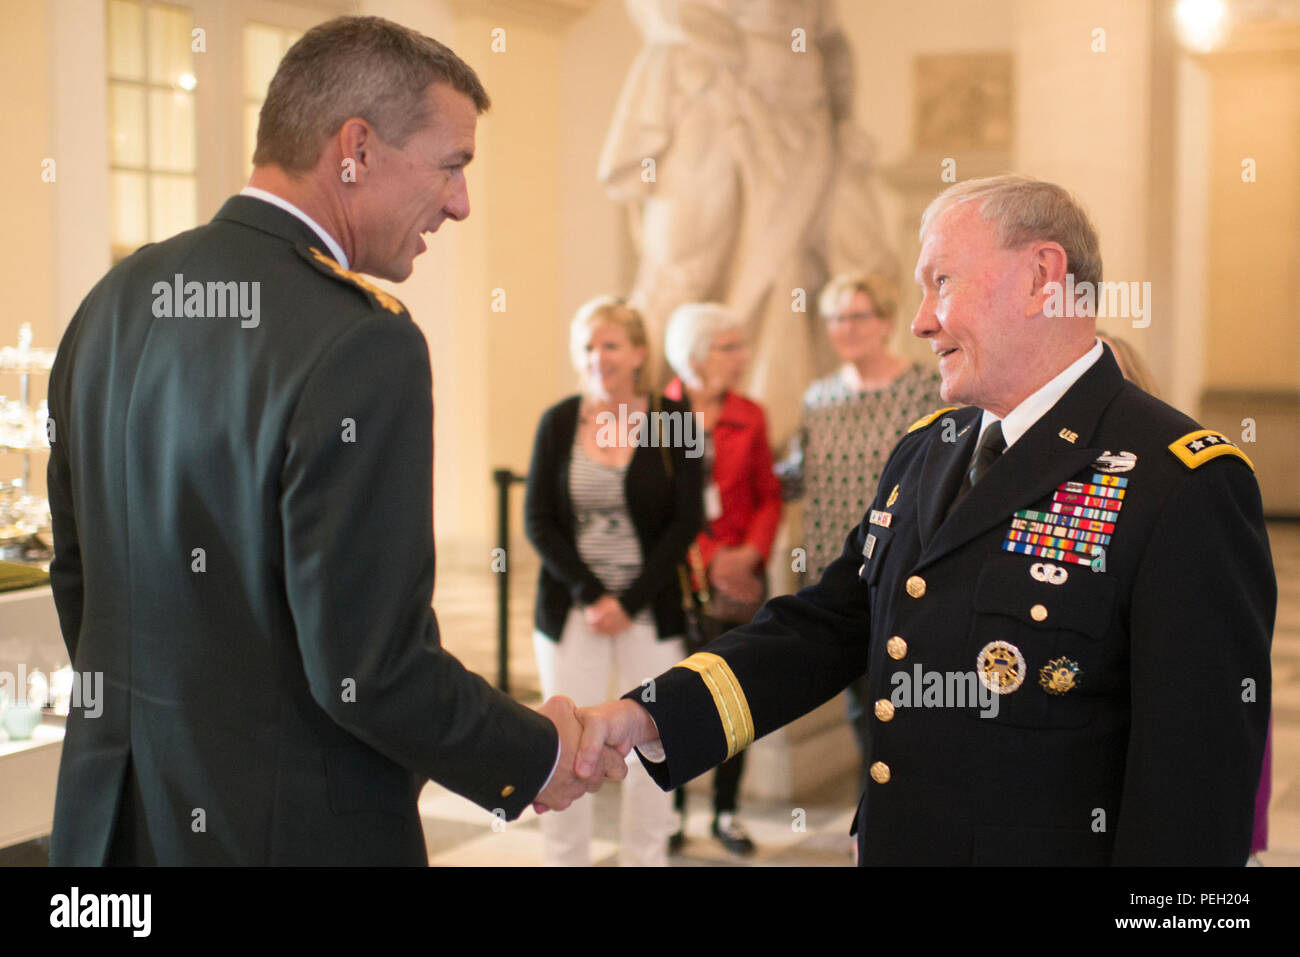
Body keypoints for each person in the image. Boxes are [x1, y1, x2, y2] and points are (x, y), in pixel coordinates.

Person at [45, 16, 622, 866]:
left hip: (110, 831)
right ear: (354, 147)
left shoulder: (117, 299)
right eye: (453, 164)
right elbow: (371, 669)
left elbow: (79, 578)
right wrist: (533, 749)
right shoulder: (361, 342)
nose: (461, 203)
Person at [576, 174, 1276, 865]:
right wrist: (652, 713)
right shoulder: (928, 448)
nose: (920, 320)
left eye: (943, 282)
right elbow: (828, 625)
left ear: (1042, 276)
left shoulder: (1179, 481)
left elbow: (1194, 786)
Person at [525, 297, 702, 866]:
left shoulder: (675, 421)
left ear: (638, 353)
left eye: (610, 345)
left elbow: (687, 520)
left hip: (651, 610)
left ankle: (646, 858)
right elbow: (538, 521)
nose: (596, 357)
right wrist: (593, 596)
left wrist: (629, 601)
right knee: (568, 747)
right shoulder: (558, 420)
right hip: (574, 611)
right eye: (587, 346)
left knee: (654, 743)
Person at [778, 272, 941, 790]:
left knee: (905, 703)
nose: (846, 328)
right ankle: (873, 811)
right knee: (858, 707)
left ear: (887, 322)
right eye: (836, 318)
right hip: (838, 570)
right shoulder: (819, 396)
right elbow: (797, 476)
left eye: (857, 316)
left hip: (904, 570)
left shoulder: (923, 388)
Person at [662, 302, 782, 856]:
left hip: (741, 584)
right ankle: (675, 812)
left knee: (737, 697)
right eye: (729, 347)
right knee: (680, 700)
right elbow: (664, 504)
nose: (742, 356)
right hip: (679, 582)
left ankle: (726, 813)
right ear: (696, 356)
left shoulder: (750, 414)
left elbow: (768, 495)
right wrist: (710, 557)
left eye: (740, 345)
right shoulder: (663, 413)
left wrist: (750, 554)